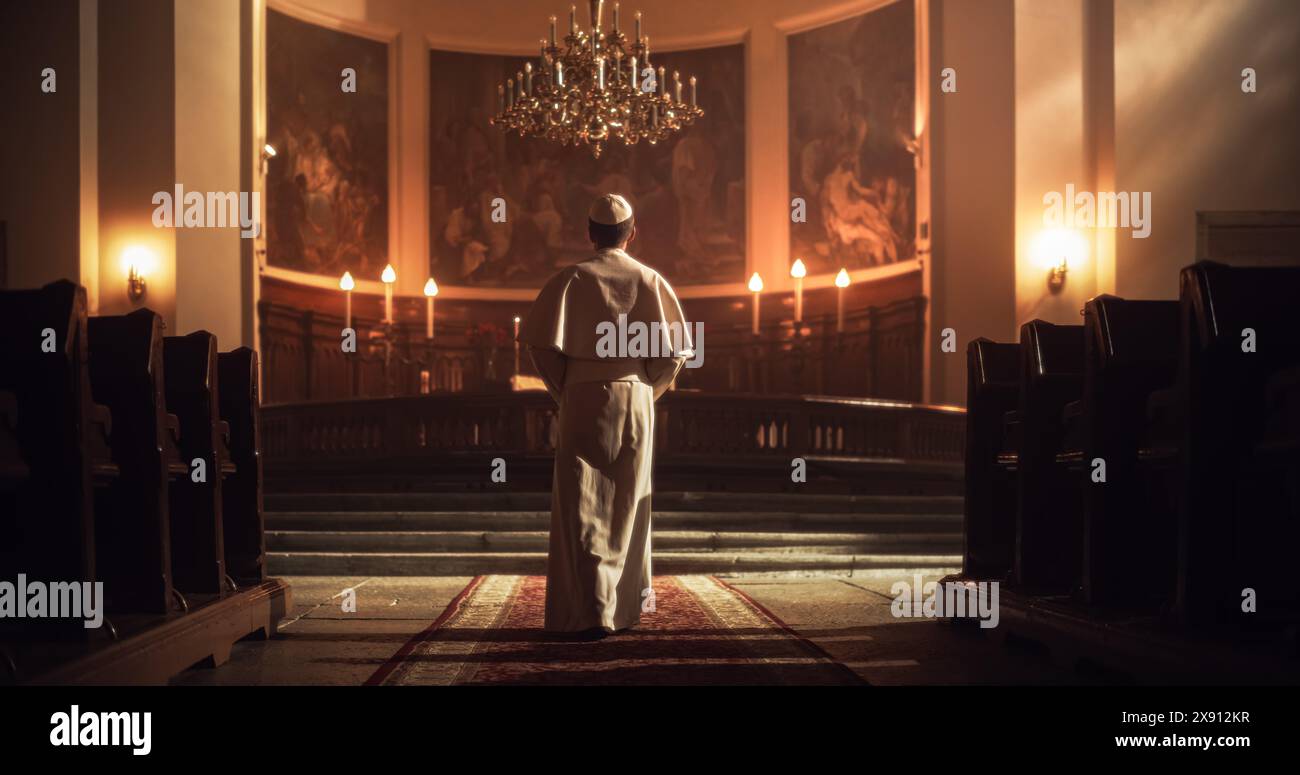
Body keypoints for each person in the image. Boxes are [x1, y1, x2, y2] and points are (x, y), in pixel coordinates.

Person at [518, 194, 691, 639]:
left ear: (589, 234)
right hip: (635, 394)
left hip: (580, 396)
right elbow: (675, 355)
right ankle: (619, 608)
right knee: (628, 502)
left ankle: (590, 609)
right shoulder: (651, 280)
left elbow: (540, 345)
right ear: (633, 234)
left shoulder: (570, 279)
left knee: (581, 502)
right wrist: (646, 390)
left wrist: (566, 389)